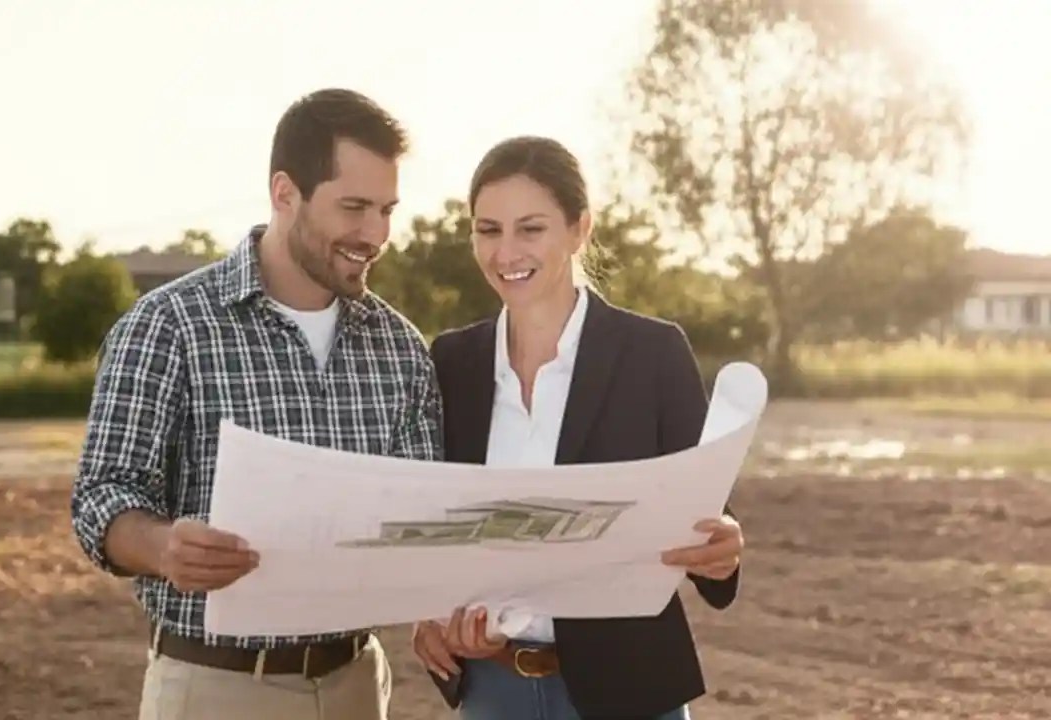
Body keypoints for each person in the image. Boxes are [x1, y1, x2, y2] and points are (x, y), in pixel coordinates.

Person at [70, 88, 442, 720]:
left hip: (358, 684)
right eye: (353, 207)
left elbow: (425, 510)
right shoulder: (169, 325)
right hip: (216, 689)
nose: (375, 234)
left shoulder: (400, 347)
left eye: (386, 210)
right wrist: (163, 547)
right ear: (284, 193)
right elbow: (102, 495)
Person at [412, 136, 745, 720]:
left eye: (530, 228)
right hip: (495, 694)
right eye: (488, 230)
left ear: (579, 229)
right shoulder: (453, 362)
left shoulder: (653, 353)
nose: (505, 250)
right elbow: (440, 530)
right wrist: (441, 616)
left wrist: (722, 548)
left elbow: (709, 523)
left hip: (631, 692)